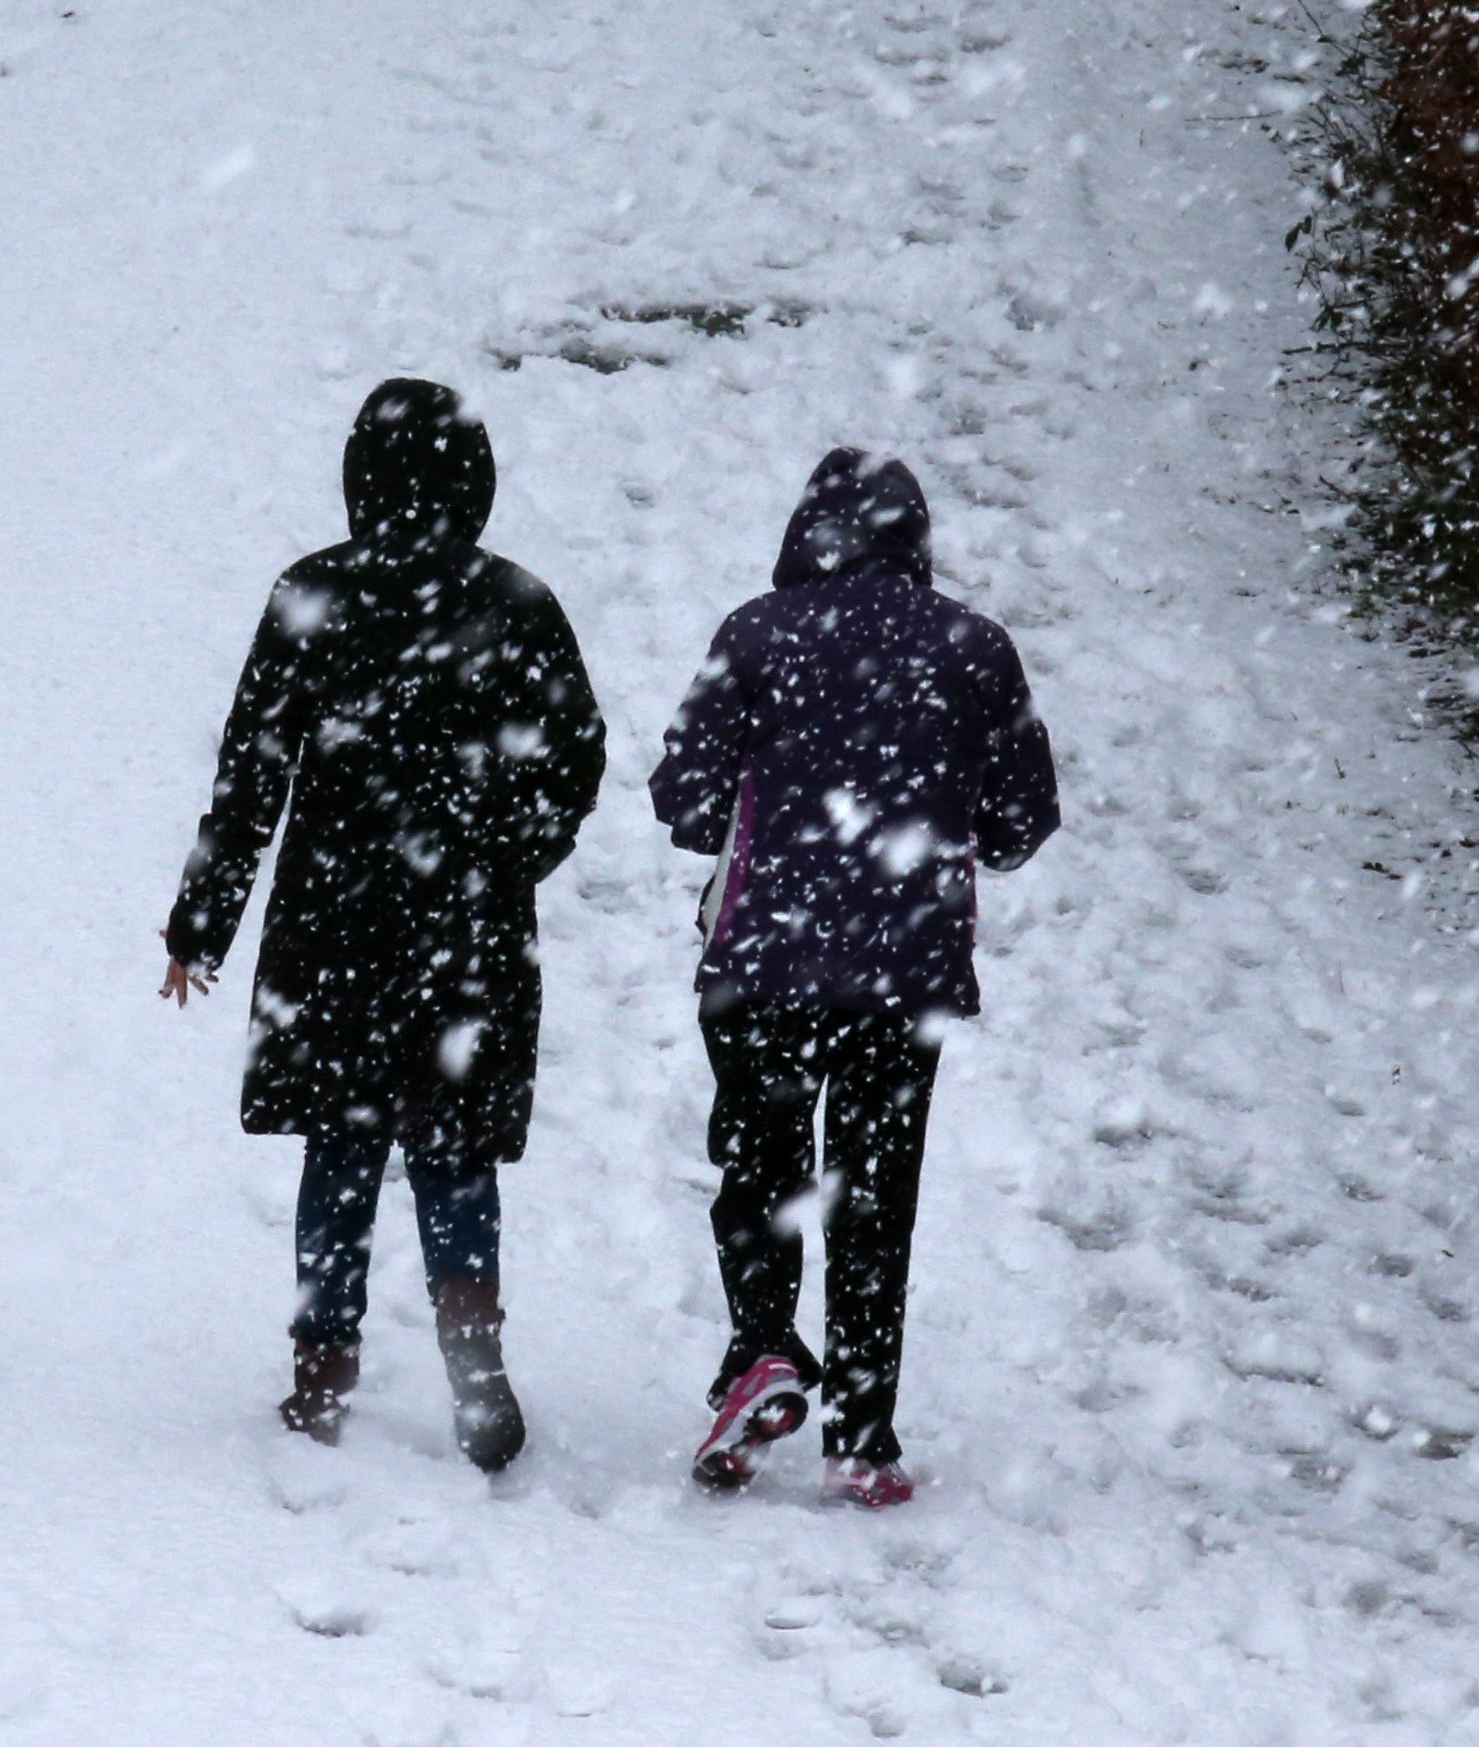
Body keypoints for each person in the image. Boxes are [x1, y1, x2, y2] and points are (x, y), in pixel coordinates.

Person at [161, 378, 605, 1473]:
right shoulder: (515, 602)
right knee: (453, 1149)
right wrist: (505, 849)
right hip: (468, 929)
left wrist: (201, 920)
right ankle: (475, 1369)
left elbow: (252, 763)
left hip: (335, 920)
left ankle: (321, 1373)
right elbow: (575, 759)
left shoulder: (313, 591)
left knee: (342, 1138)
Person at [649, 448, 1059, 1507]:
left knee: (762, 1169)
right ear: (913, 540)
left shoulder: (756, 634)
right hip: (903, 967)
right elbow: (1022, 819)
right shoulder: (973, 648)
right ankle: (863, 1434)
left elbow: (685, 795)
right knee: (876, 1195)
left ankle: (761, 1353)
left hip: (763, 958)